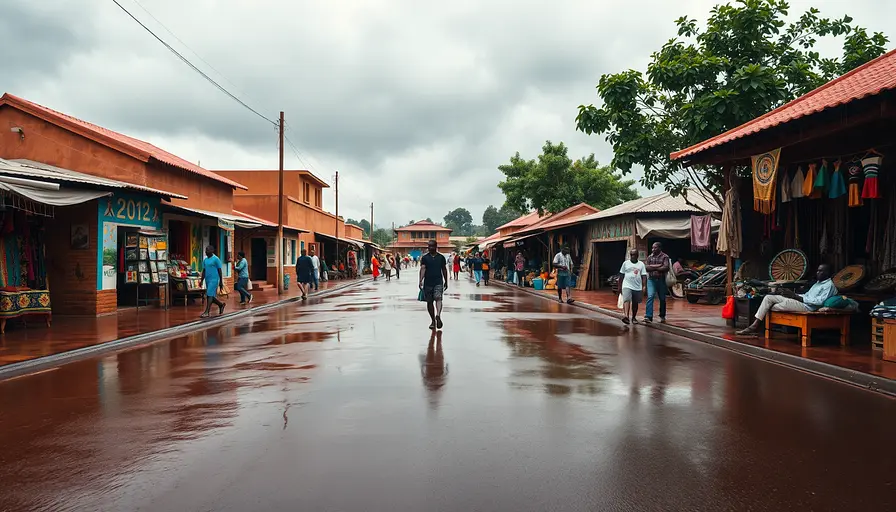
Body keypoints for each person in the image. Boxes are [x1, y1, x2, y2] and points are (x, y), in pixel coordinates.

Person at [737, 264, 838, 335]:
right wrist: (792, 294)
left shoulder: (829, 285)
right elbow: (807, 295)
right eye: (817, 270)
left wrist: (795, 297)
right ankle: (755, 325)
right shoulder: (818, 283)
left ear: (827, 273)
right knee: (768, 298)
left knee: (770, 305)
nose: (818, 272)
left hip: (808, 307)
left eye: (821, 271)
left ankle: (756, 325)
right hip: (801, 302)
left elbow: (819, 302)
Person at [420, 239, 448, 330]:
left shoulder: (441, 258)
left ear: (436, 247)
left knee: (438, 298)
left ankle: (437, 316)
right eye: (429, 246)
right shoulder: (424, 258)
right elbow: (423, 269)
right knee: (430, 302)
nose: (430, 248)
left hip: (438, 282)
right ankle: (433, 319)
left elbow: (444, 269)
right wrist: (420, 280)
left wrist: (446, 281)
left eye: (431, 246)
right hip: (428, 283)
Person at [644, 242, 671, 323]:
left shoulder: (665, 256)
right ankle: (648, 316)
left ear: (659, 248)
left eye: (655, 248)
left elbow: (666, 267)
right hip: (651, 279)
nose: (653, 249)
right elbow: (646, 268)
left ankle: (662, 315)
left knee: (662, 298)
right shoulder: (650, 257)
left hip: (661, 280)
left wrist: (652, 267)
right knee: (650, 296)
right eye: (652, 248)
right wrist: (658, 266)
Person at [619, 249, 647, 325]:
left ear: (637, 255)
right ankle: (626, 316)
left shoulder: (641, 264)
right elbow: (621, 275)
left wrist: (644, 286)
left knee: (635, 303)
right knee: (627, 299)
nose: (632, 256)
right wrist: (620, 286)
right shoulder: (625, 263)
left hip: (637, 286)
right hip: (626, 284)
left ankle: (634, 317)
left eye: (634, 255)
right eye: (631, 255)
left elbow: (644, 276)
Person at [199, 245, 225, 318]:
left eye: (207, 250)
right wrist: (201, 280)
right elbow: (204, 270)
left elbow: (220, 270)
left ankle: (207, 312)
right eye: (205, 250)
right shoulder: (205, 260)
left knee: (209, 294)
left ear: (212, 251)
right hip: (208, 280)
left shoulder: (216, 259)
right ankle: (221, 305)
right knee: (210, 296)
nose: (206, 252)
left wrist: (221, 281)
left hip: (214, 280)